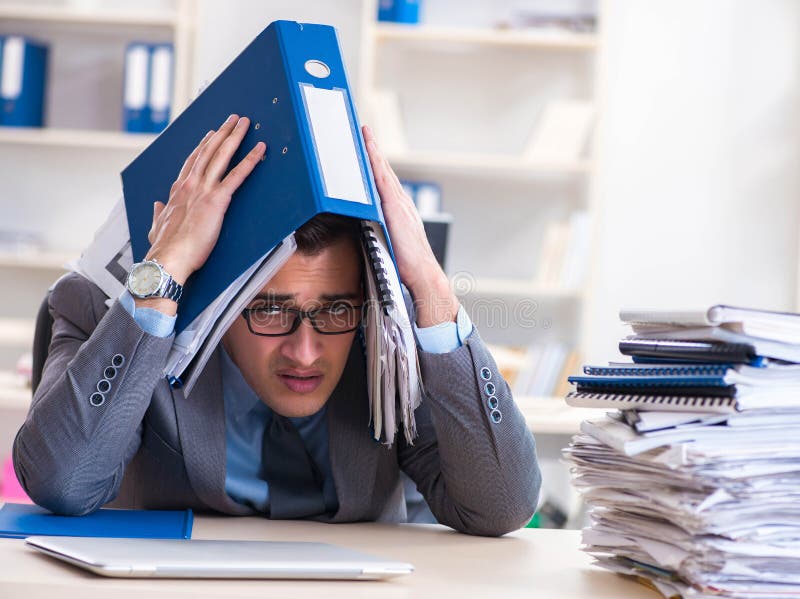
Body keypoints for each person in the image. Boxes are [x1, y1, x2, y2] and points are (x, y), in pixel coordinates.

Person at [13, 114, 541, 537]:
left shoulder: (387, 331)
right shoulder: (105, 309)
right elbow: (63, 483)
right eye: (269, 310)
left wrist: (432, 286)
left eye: (334, 309)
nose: (305, 352)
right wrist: (164, 273)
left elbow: (501, 506)